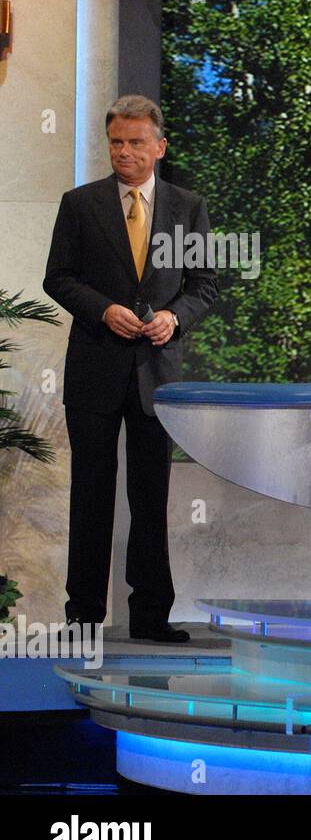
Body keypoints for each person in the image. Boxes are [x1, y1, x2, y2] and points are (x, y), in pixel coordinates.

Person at [42, 95, 218, 643]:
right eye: (117, 142)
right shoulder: (80, 203)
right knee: (91, 494)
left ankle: (150, 618)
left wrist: (173, 318)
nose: (125, 152)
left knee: (151, 499)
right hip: (94, 370)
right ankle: (84, 618)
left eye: (136, 142)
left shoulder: (187, 206)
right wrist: (102, 309)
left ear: (159, 147)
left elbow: (205, 286)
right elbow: (58, 278)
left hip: (156, 376)